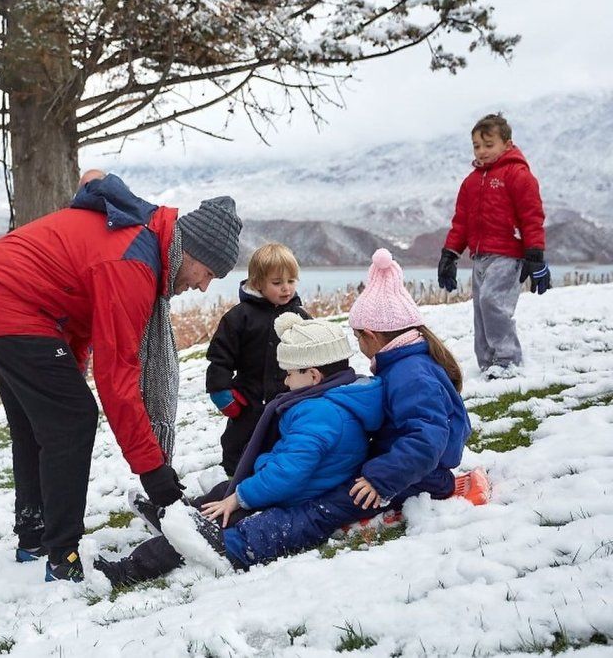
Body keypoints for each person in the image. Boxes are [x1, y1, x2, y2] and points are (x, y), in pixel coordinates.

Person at [0, 170, 243, 582]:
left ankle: (34, 539)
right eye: (209, 274)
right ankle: (63, 557)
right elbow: (118, 380)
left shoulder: (136, 241)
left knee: (40, 426)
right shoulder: (132, 264)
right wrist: (155, 475)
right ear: (192, 253)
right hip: (9, 303)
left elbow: (83, 324)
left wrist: (67, 370)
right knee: (72, 420)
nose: (201, 287)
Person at [172, 249, 470, 571]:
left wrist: (378, 480)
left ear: (370, 335)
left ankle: (239, 547)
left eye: (358, 337)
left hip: (418, 476)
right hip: (401, 467)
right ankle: (204, 518)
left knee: (323, 508)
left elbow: (426, 438)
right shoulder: (405, 363)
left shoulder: (411, 373)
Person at [94, 313, 380, 584]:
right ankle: (177, 514)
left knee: (210, 521)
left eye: (290, 373)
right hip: (296, 487)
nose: (286, 380)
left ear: (314, 375)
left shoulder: (321, 415)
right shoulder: (335, 402)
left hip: (293, 496)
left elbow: (287, 474)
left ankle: (126, 571)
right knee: (222, 491)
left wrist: (241, 498)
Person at [437, 112, 549, 379]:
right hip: (480, 257)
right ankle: (488, 362)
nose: (482, 151)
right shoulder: (471, 182)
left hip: (509, 255)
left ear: (507, 144)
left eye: (489, 145)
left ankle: (507, 359)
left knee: (492, 302)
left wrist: (535, 255)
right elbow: (461, 223)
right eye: (477, 146)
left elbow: (532, 216)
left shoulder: (517, 175)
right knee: (480, 307)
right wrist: (449, 255)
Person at [205, 243, 309, 477]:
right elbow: (219, 358)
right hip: (248, 399)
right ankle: (232, 476)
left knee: (283, 440)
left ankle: (277, 478)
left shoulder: (300, 317)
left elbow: (315, 354)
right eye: (277, 283)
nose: (286, 288)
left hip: (288, 397)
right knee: (239, 441)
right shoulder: (239, 317)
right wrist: (221, 392)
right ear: (258, 282)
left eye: (291, 281)